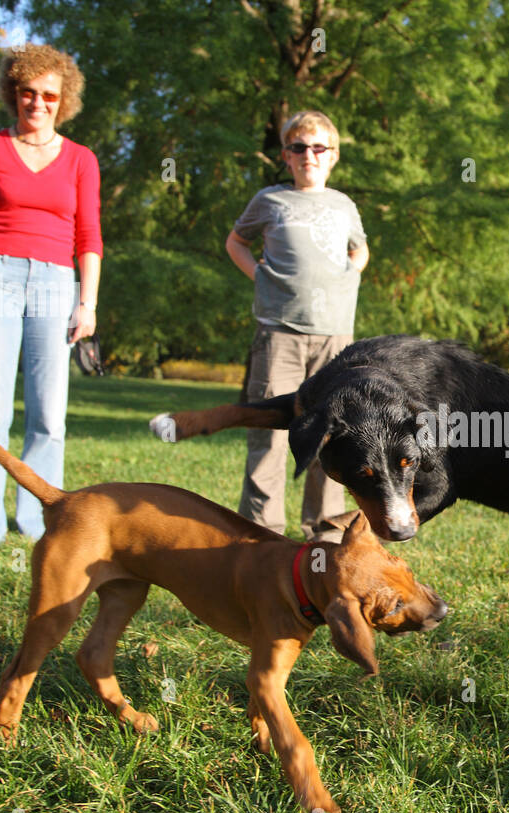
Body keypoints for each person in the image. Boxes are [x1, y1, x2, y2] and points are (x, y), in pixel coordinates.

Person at [0, 44, 102, 543]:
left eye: (49, 95)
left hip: (56, 282)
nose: (38, 103)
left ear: (64, 99)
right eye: (27, 92)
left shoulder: (80, 159)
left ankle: (38, 523)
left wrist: (88, 302)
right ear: (14, 93)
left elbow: (89, 235)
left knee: (48, 413)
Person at [227, 110, 368, 541]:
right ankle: (261, 535)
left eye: (319, 147)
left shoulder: (344, 205)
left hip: (335, 338)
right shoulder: (270, 201)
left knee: (331, 434)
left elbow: (359, 251)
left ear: (333, 156)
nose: (309, 154)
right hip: (279, 335)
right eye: (299, 147)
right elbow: (236, 242)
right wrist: (259, 275)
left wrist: (350, 275)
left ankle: (325, 533)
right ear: (286, 155)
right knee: (270, 434)